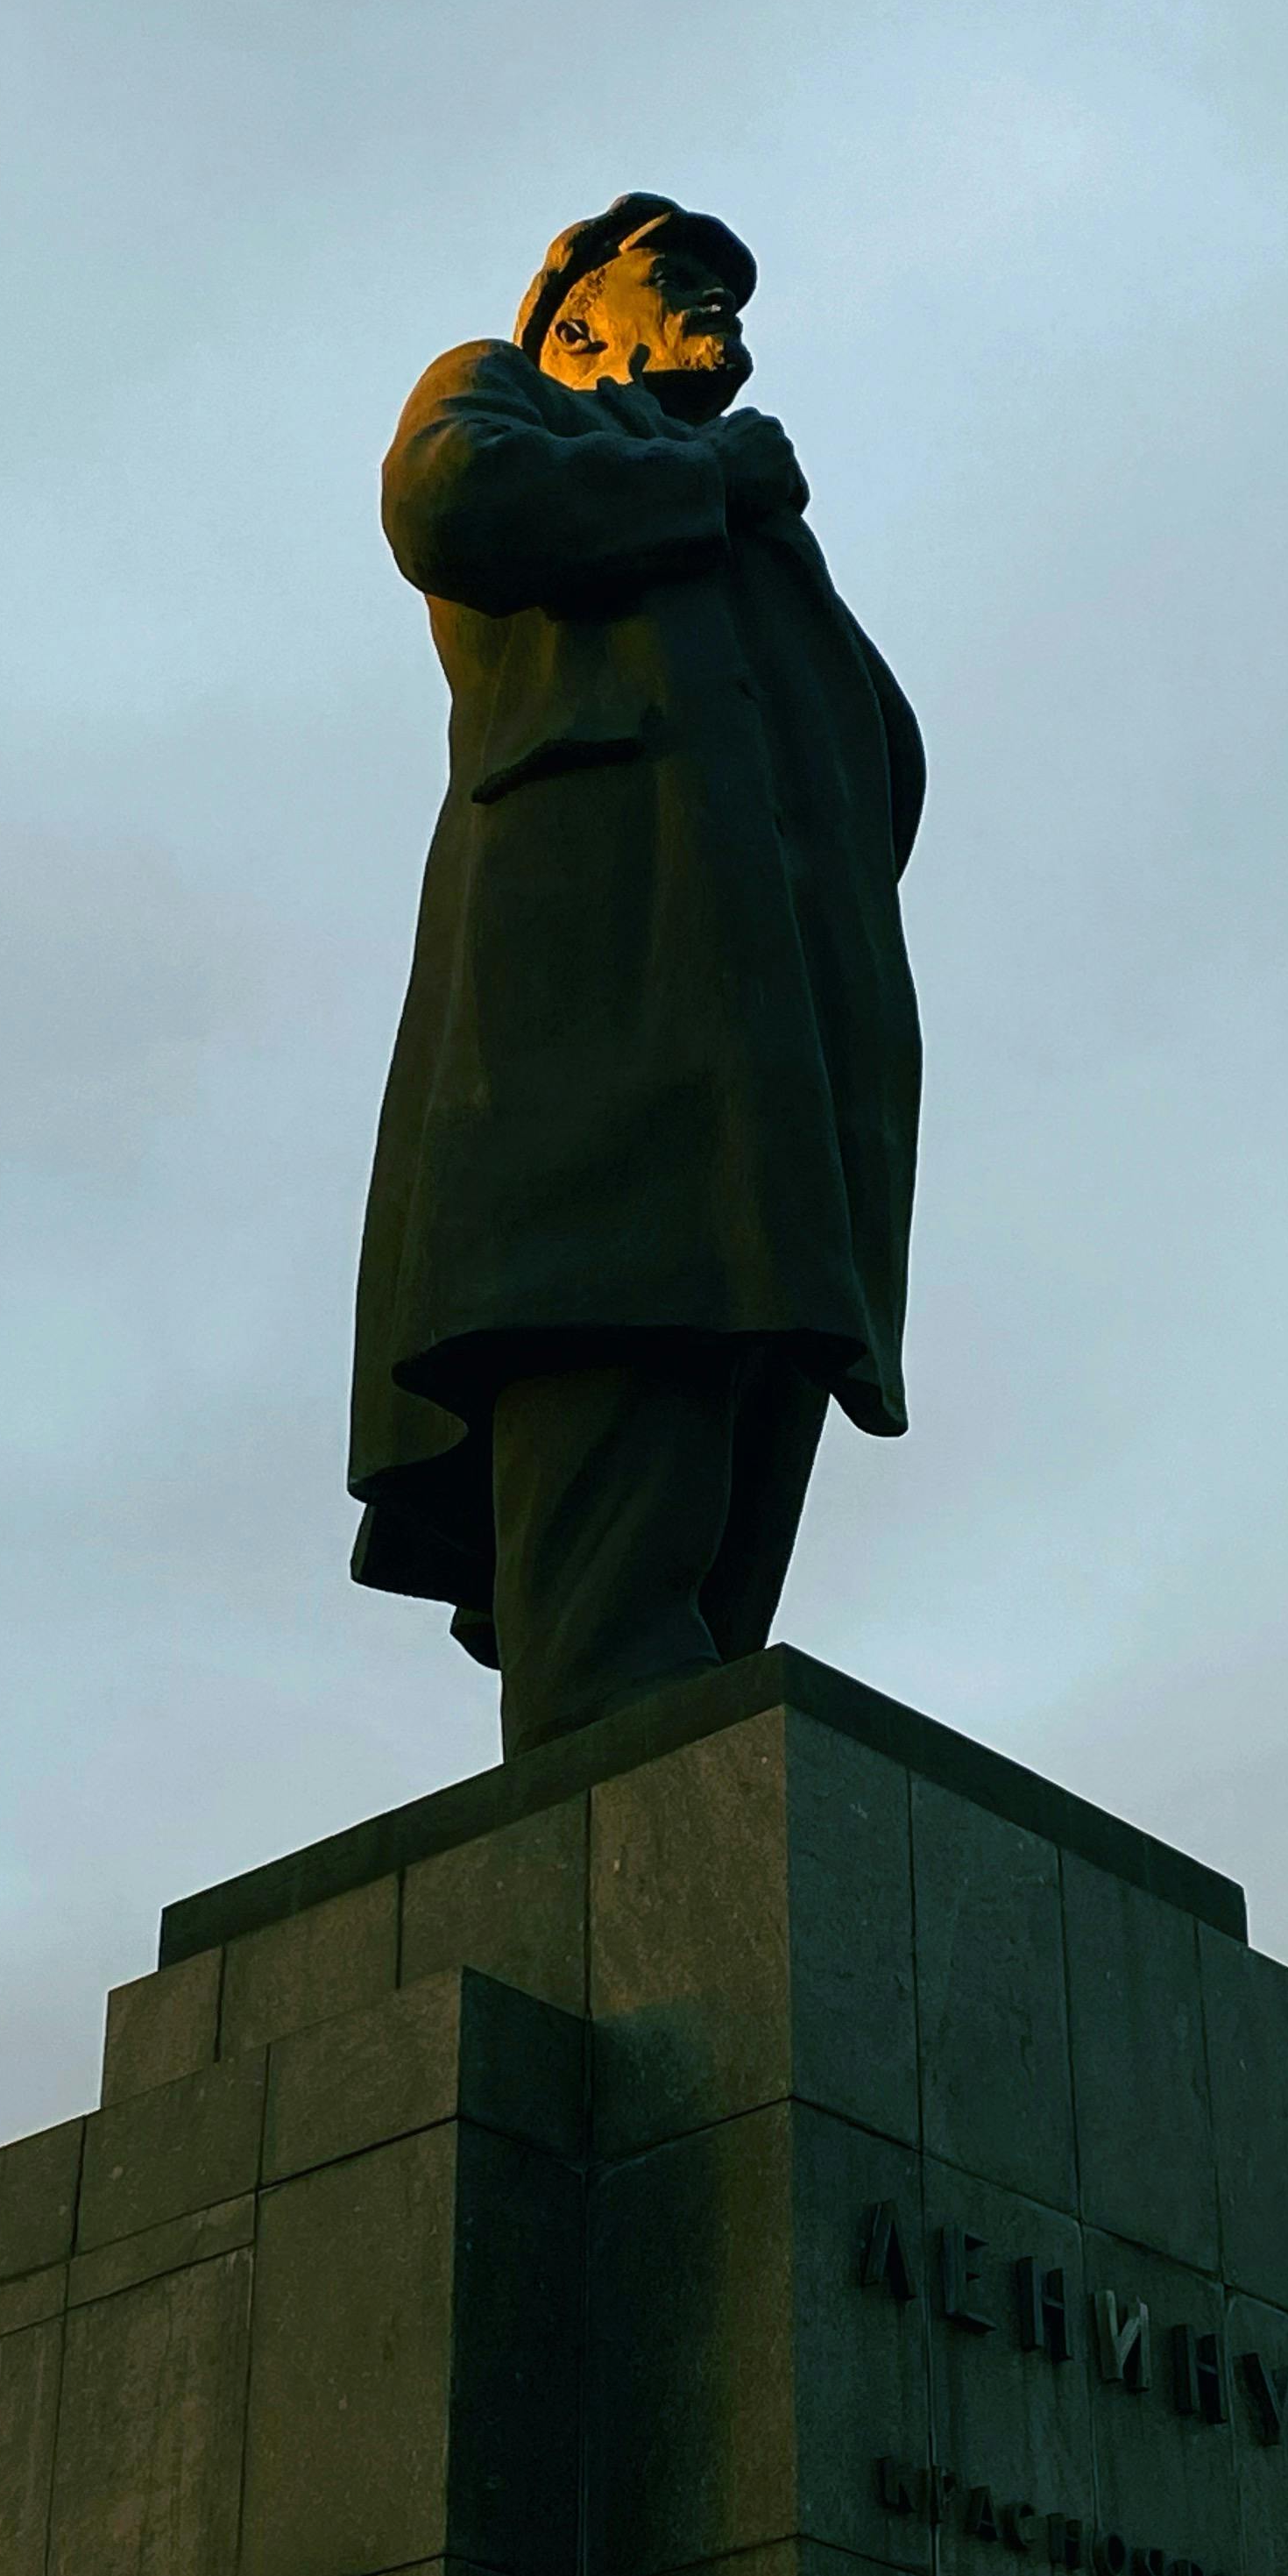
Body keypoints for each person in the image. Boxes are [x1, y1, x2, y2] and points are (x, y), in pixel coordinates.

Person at [348, 194, 924, 1756]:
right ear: (577, 317)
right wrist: (712, 477)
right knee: (624, 1275)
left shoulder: (766, 539)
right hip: (607, 941)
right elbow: (454, 499)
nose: (719, 304)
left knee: (764, 1303)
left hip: (781, 992)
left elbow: (878, 753)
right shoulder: (510, 393)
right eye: (676, 275)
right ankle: (607, 1679)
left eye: (734, 289)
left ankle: (695, 1693)